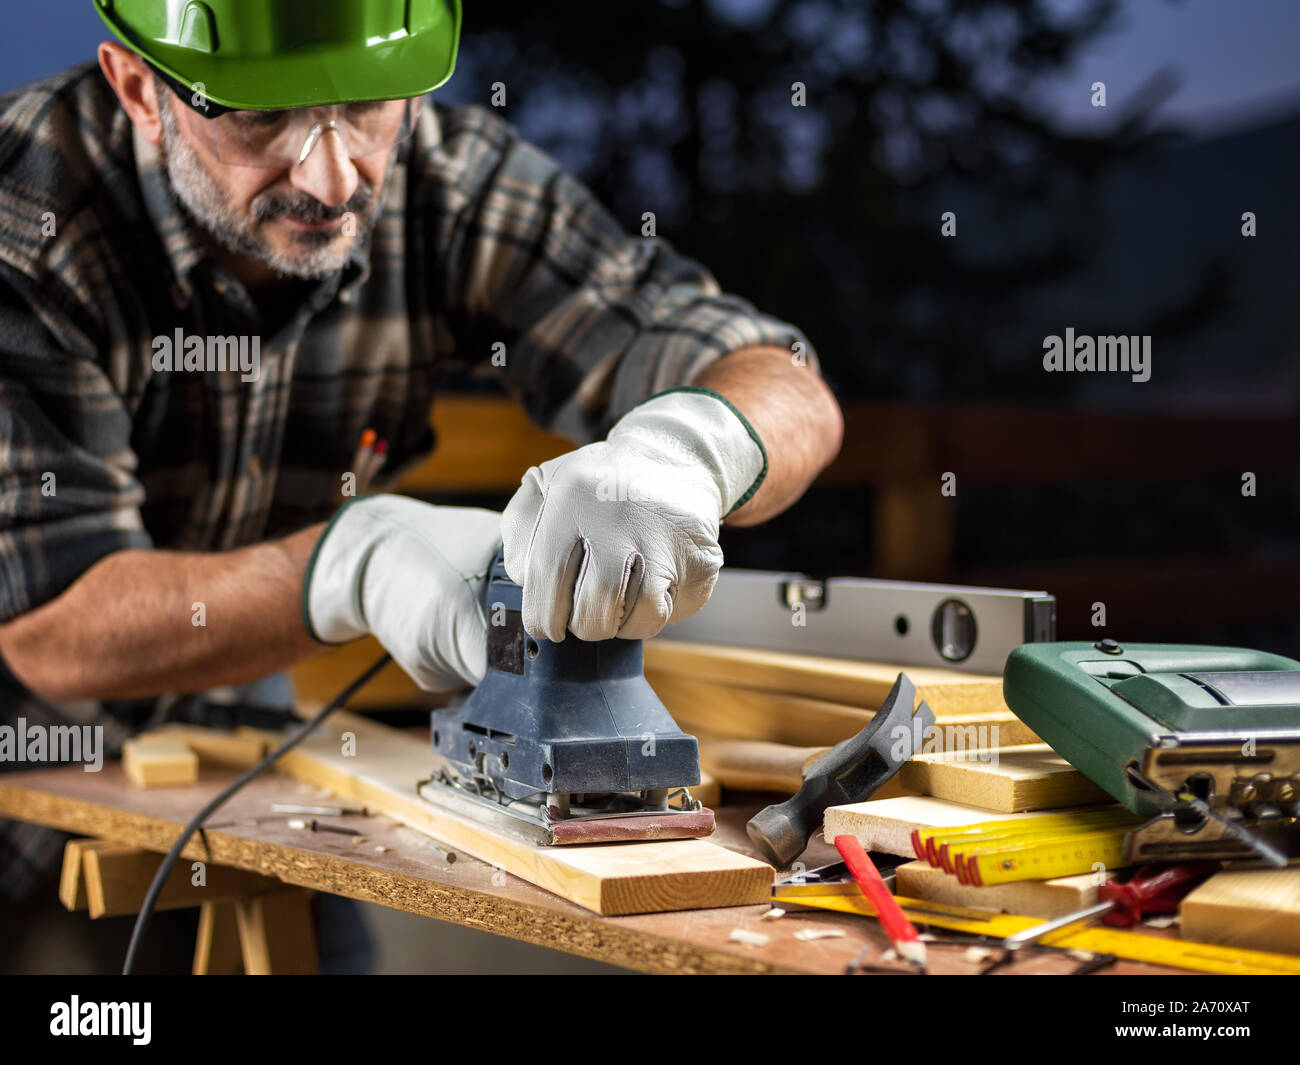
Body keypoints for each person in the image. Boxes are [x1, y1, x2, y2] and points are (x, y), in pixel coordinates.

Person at [0, 0, 842, 909]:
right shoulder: (27, 209)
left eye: (368, 104)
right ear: (137, 86)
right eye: (258, 115)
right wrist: (349, 563)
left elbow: (786, 381)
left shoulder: (452, 180)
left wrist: (690, 447)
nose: (331, 180)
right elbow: (48, 626)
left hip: (253, 756)